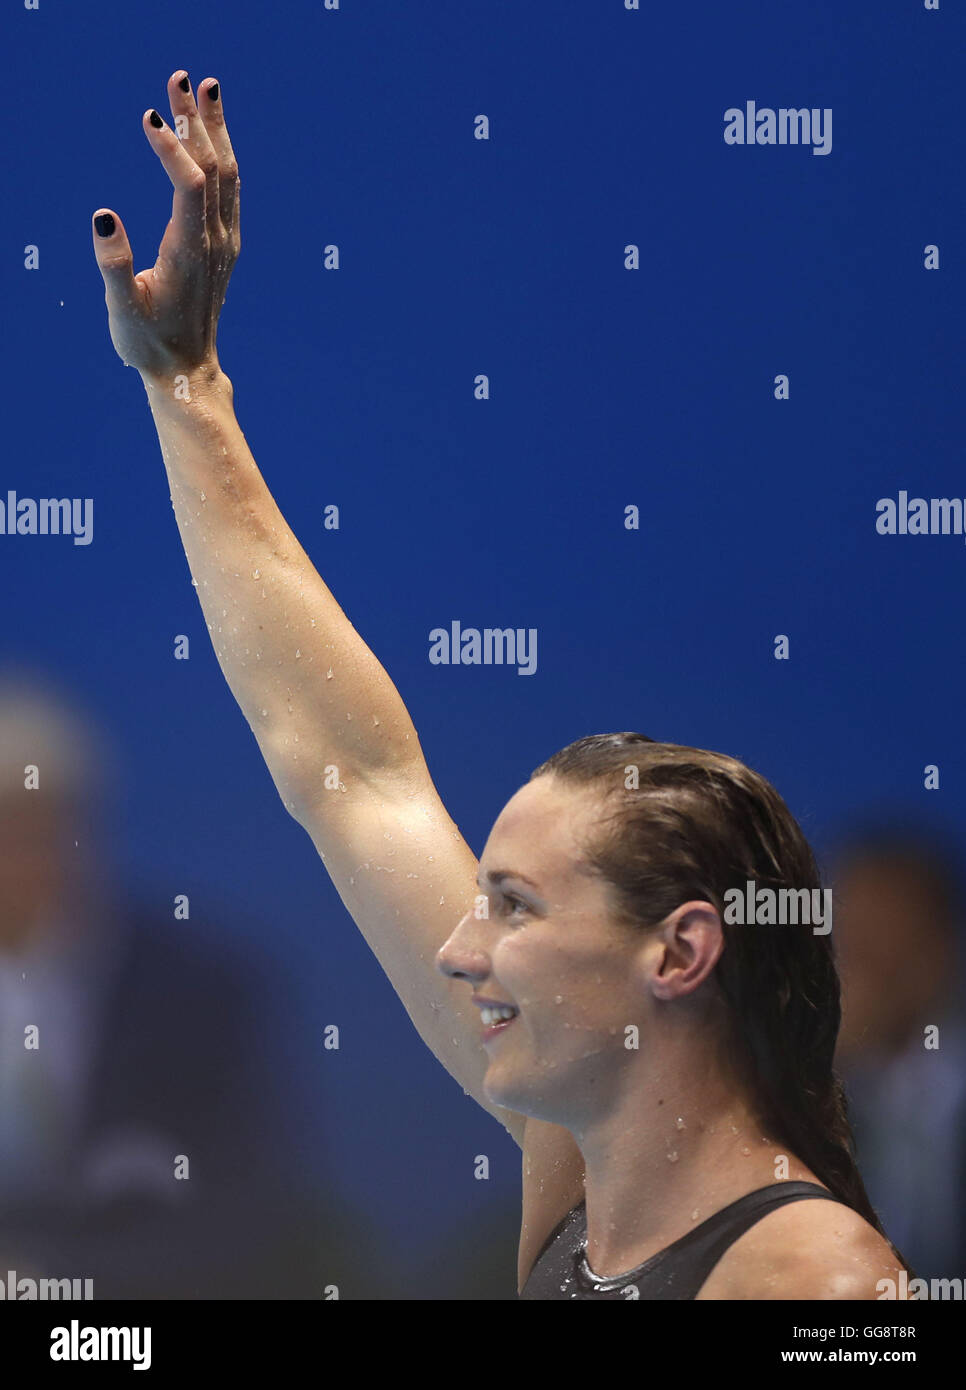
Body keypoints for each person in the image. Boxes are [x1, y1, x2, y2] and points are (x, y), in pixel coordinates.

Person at [91, 69, 907, 1299]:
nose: (461, 950)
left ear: (680, 952)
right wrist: (185, 384)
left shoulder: (817, 1282)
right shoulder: (571, 1164)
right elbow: (349, 769)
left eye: (515, 906)